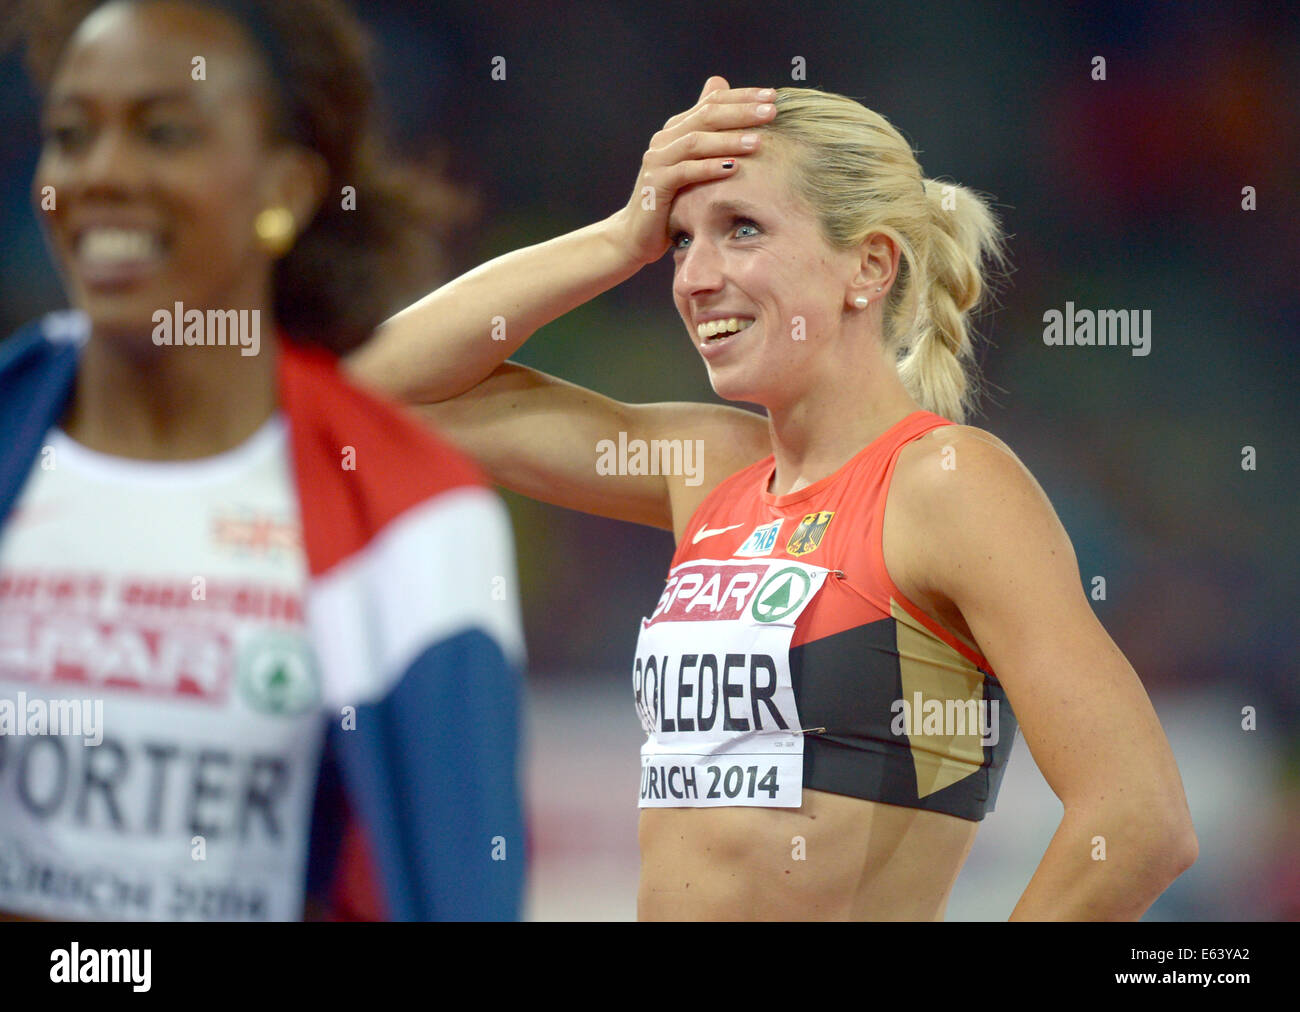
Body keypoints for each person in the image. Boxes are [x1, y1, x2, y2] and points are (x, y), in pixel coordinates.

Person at [348, 77, 1199, 920]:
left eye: (741, 230)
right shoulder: (710, 469)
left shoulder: (945, 484)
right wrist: (617, 238)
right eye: (682, 240)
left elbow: (1138, 820)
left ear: (867, 266)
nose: (694, 277)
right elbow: (376, 391)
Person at [0, 0, 526, 921]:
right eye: (70, 135)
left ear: (284, 190)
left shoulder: (413, 517)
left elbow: (458, 886)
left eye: (164, 133)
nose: (102, 175)